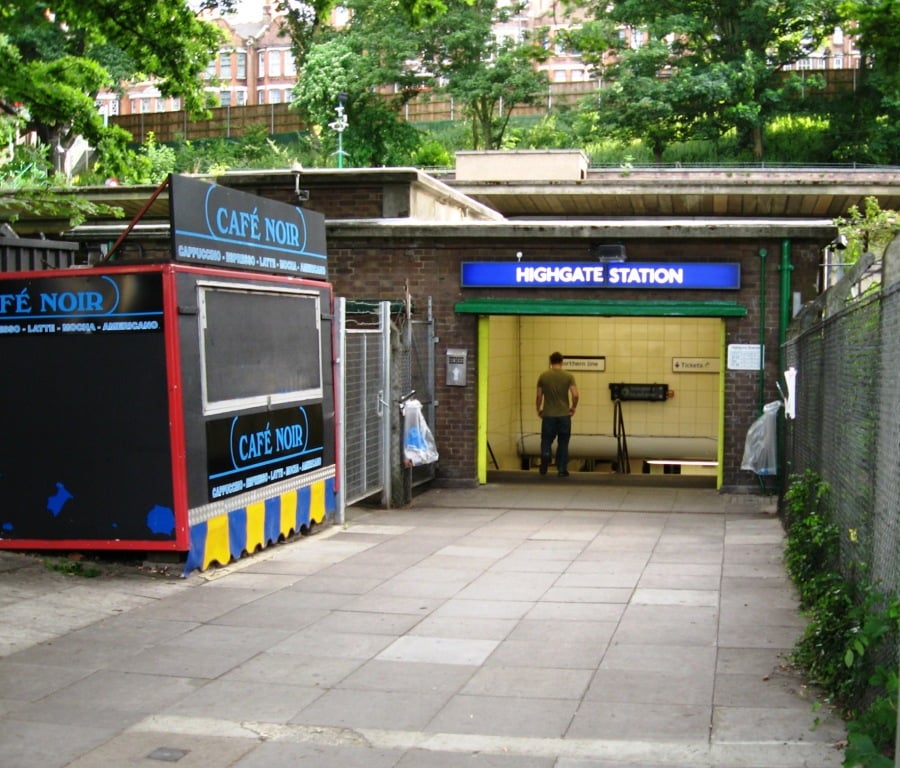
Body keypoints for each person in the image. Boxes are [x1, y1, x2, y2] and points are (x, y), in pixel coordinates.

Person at [535, 351, 579, 477]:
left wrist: (538, 409)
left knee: (546, 439)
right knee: (563, 442)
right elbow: (575, 395)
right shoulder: (569, 376)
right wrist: (573, 407)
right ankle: (561, 469)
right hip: (564, 415)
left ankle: (546, 454)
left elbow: (539, 396)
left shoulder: (543, 376)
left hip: (548, 415)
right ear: (562, 361)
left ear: (550, 361)